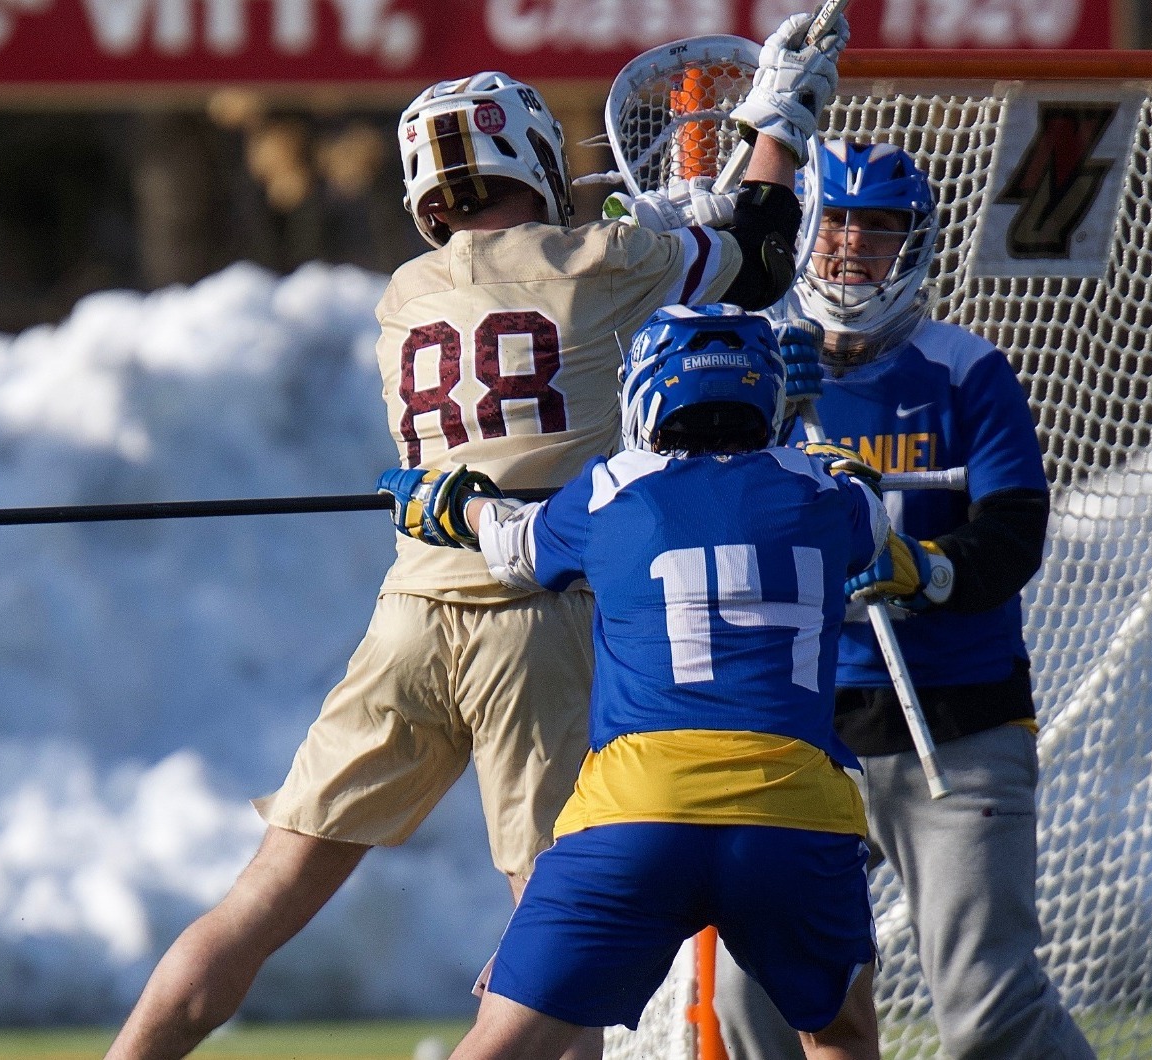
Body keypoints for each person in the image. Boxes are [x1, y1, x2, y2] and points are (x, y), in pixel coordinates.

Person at [102, 15, 848, 1060]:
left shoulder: (405, 297)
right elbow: (763, 260)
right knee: (558, 953)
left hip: (409, 612)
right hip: (534, 624)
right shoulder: (606, 256)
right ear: (532, 156)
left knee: (262, 897)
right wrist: (777, 123)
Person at [378, 304, 890, 1060]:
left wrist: (453, 505)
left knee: (502, 1043)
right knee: (840, 1035)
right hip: (794, 811)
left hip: (638, 812)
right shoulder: (824, 496)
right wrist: (847, 465)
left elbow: (514, 550)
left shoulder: (613, 488)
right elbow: (863, 513)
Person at [712, 140, 1096, 1060]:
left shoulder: (966, 370)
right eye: (833, 223)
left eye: (876, 227)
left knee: (984, 1009)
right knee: (751, 1002)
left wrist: (924, 570)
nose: (851, 248)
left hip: (955, 725)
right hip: (802, 731)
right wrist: (761, 418)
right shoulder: (743, 365)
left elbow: (1014, 532)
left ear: (914, 244)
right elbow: (698, 514)